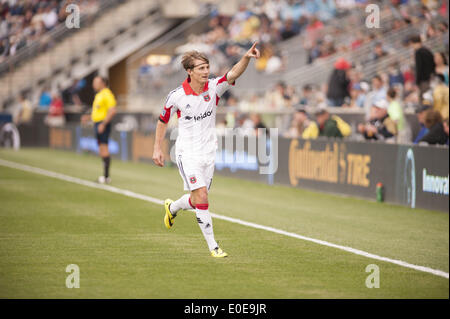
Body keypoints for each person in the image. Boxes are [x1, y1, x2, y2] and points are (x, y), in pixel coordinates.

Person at [152, 43, 260, 258]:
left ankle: (173, 208)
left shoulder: (214, 87)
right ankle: (213, 247)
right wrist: (157, 148)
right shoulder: (176, 96)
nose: (205, 71)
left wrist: (246, 58)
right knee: (201, 196)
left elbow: (232, 73)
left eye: (206, 67)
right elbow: (163, 120)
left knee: (197, 199)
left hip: (209, 152)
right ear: (189, 71)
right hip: (187, 153)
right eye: (200, 68)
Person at [81, 76, 117, 184]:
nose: (94, 84)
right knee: (101, 149)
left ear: (103, 83)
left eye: (96, 82)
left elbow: (112, 110)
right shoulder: (99, 95)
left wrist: (104, 124)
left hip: (102, 124)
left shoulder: (107, 94)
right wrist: (88, 118)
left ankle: (106, 176)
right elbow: (97, 112)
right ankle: (104, 175)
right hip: (98, 123)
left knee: (104, 148)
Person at [409, 35, 436, 103]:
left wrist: (417, 81)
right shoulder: (426, 50)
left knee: (425, 101)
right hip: (431, 78)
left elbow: (419, 68)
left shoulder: (418, 52)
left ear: (412, 43)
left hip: (424, 81)